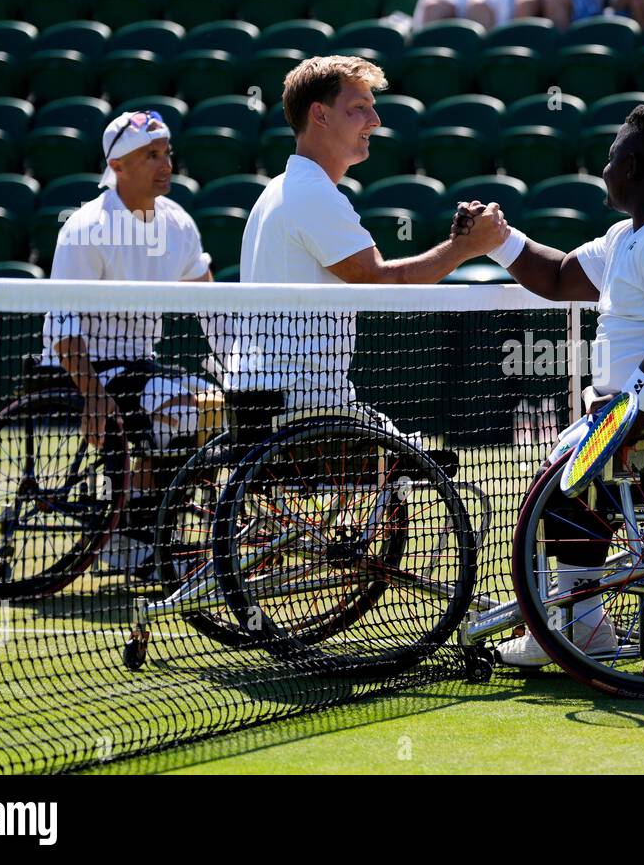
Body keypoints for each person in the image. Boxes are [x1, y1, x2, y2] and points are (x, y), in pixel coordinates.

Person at [452, 104, 644, 666]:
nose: (604, 168)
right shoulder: (634, 234)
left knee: (569, 477)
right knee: (566, 471)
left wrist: (628, 408)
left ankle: (580, 622)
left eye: (613, 156)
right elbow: (557, 277)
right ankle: (581, 620)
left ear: (636, 167)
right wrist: (497, 241)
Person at [230, 56, 506, 423]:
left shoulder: (281, 189)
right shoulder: (311, 192)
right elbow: (379, 280)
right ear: (321, 115)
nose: (374, 122)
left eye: (372, 109)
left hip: (266, 396)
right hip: (300, 401)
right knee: (410, 468)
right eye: (359, 109)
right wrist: (464, 248)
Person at [42, 110, 215, 576]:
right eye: (151, 155)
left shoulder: (177, 222)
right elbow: (61, 322)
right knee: (181, 412)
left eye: (167, 153)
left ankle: (138, 536)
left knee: (212, 409)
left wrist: (234, 362)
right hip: (79, 367)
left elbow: (209, 300)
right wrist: (94, 395)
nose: (165, 165)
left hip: (140, 367)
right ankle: (133, 547)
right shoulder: (86, 227)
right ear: (117, 166)